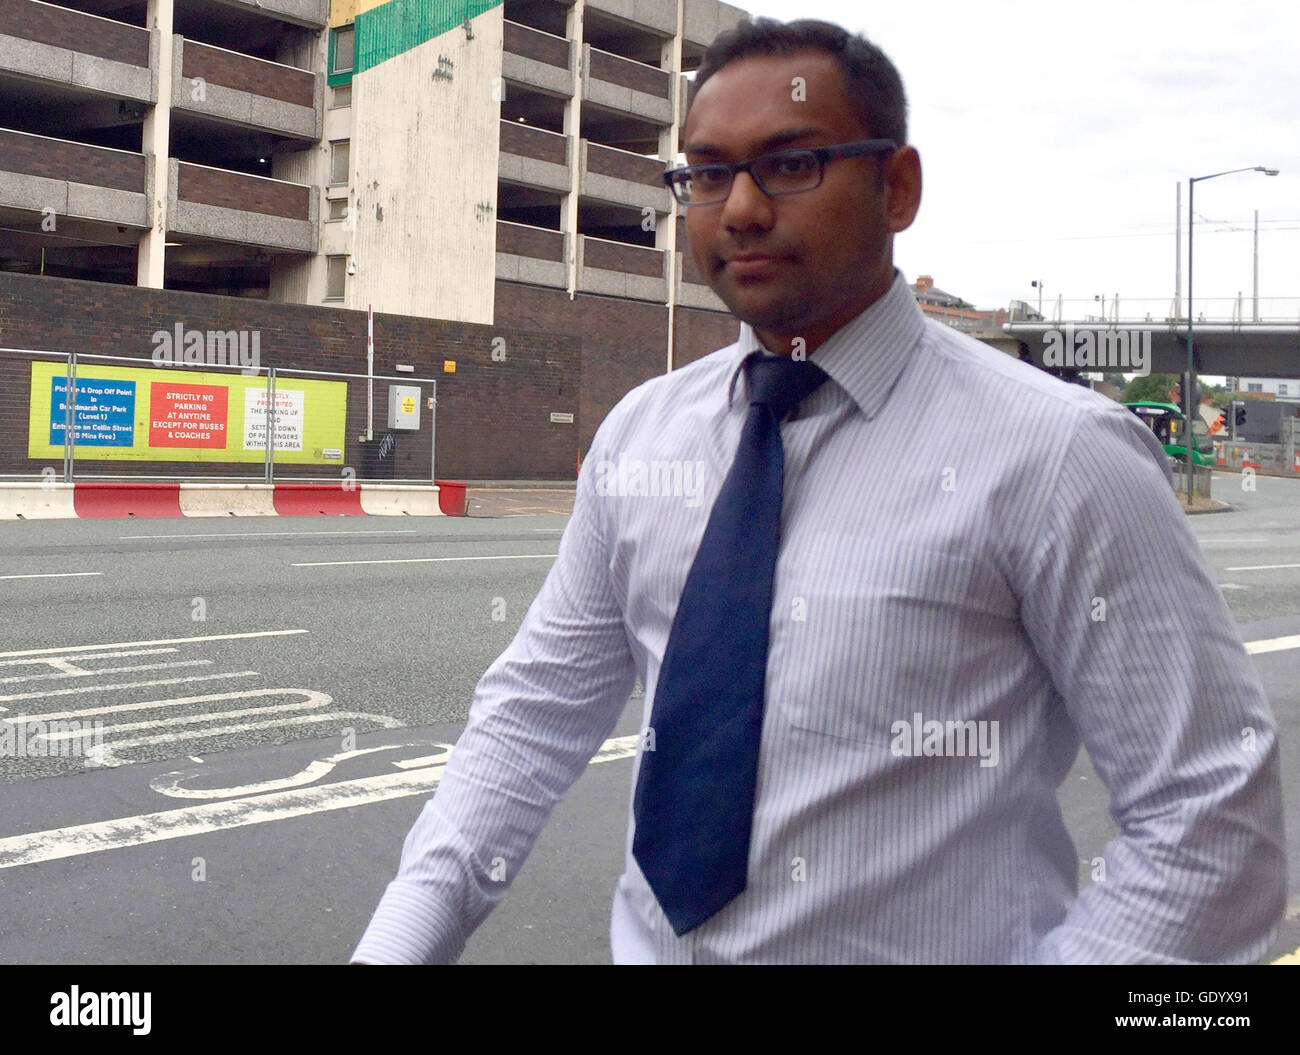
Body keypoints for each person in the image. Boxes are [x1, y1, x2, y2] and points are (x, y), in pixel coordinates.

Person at [352, 18, 1285, 964]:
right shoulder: (643, 433)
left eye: (791, 165)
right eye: (707, 174)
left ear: (898, 187)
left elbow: (1208, 820)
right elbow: (531, 717)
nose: (741, 209)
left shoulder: (1059, 453)